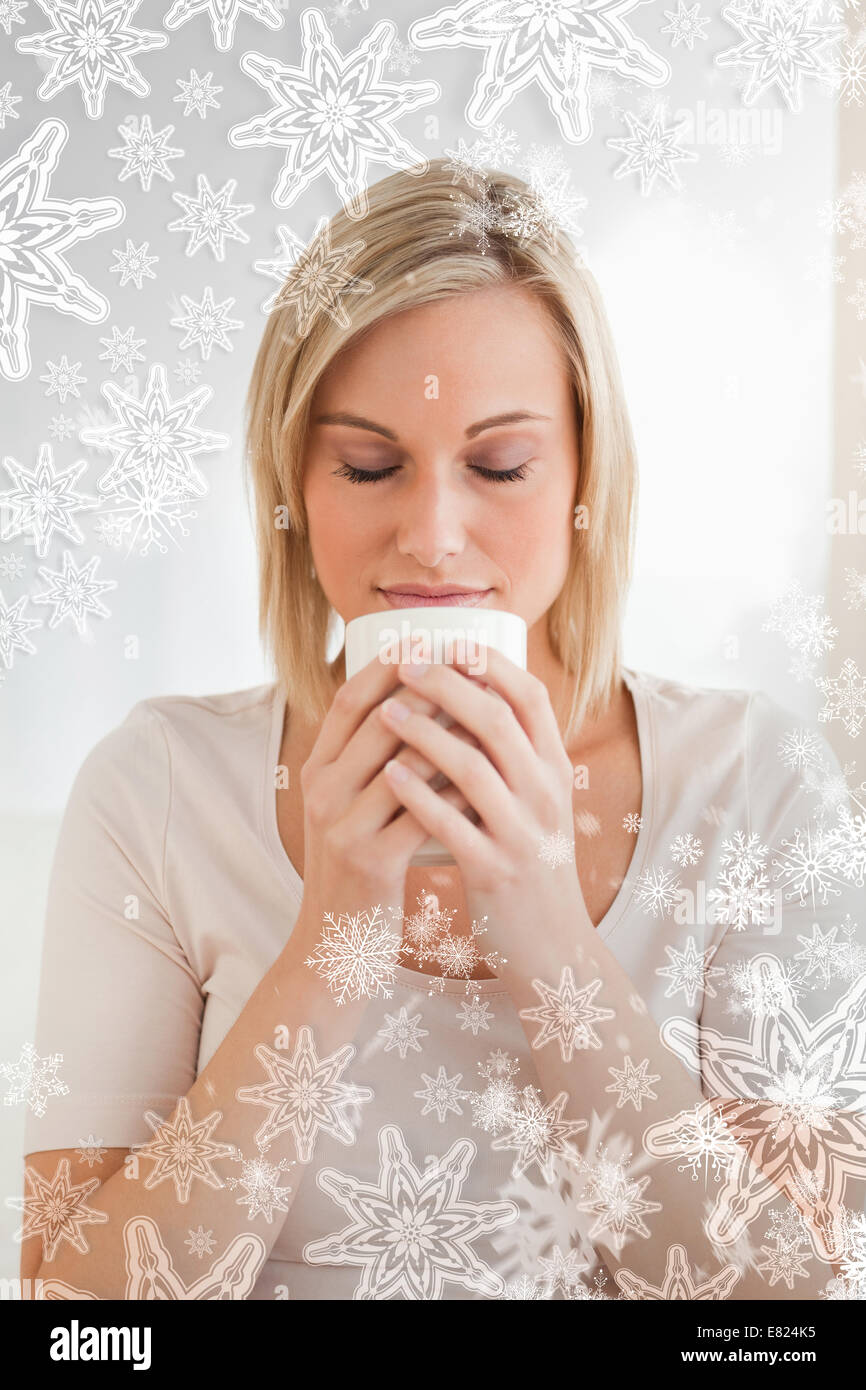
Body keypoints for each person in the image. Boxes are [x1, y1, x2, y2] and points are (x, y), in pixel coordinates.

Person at [19, 160, 866, 1301]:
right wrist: (332, 941)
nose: (431, 535)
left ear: (585, 480)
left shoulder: (754, 786)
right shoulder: (156, 789)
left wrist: (544, 924)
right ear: (294, 484)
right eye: (368, 465)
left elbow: (797, 1313)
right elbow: (79, 1323)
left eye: (500, 464)